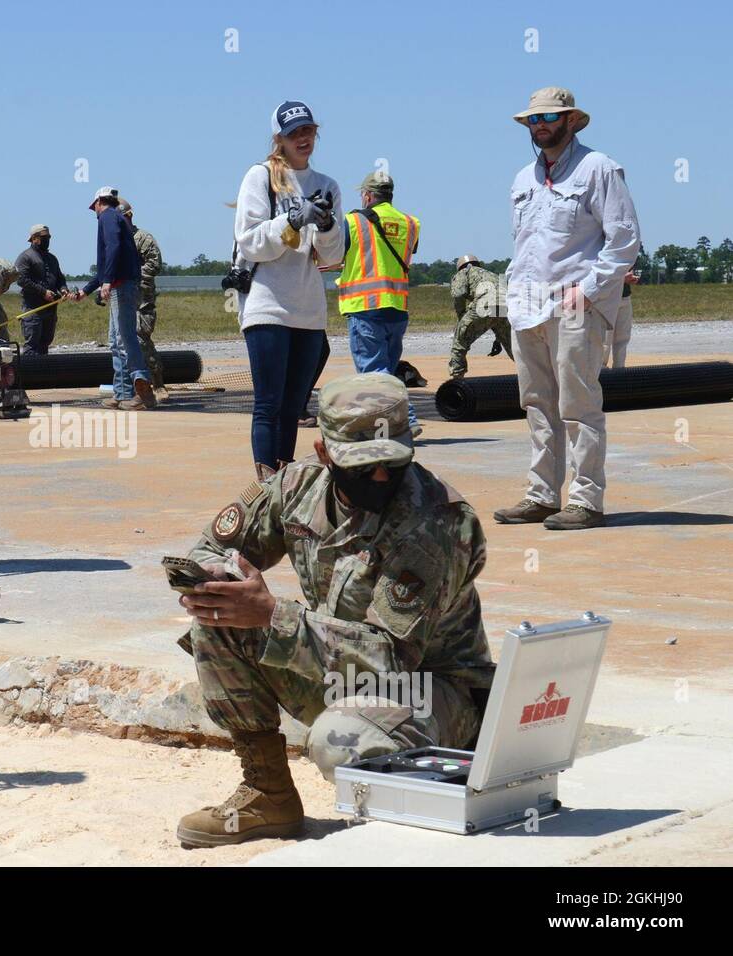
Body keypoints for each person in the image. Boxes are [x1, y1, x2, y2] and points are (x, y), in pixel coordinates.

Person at [173, 372, 493, 848]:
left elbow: (391, 661)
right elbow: (209, 551)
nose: (381, 477)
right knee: (220, 618)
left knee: (341, 739)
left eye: (393, 462)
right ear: (324, 453)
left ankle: (413, 826)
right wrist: (216, 583)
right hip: (343, 672)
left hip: (434, 693)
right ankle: (269, 794)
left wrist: (272, 615)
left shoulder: (436, 523)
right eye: (363, 466)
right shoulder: (298, 486)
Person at [495, 87, 640, 531]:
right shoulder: (524, 179)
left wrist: (590, 289)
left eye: (549, 117)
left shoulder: (598, 169)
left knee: (578, 405)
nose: (540, 125)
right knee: (538, 405)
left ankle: (586, 500)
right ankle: (541, 495)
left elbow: (625, 240)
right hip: (527, 307)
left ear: (571, 120)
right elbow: (526, 248)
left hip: (575, 304)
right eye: (534, 119)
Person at [233, 101, 343, 478]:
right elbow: (250, 242)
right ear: (278, 138)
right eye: (294, 132)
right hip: (267, 305)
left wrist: (326, 225)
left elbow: (331, 256)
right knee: (269, 402)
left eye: (308, 131)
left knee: (294, 404)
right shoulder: (260, 177)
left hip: (308, 309)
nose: (303, 138)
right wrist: (292, 219)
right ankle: (266, 487)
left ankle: (285, 478)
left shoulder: (327, 186)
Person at [337, 171, 422, 436]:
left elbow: (337, 252)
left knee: (374, 373)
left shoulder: (353, 222)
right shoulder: (411, 223)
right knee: (386, 371)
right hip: (397, 308)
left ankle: (405, 419)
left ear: (367, 195)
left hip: (365, 306)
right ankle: (388, 425)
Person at [78, 186, 155, 410]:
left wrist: (108, 281)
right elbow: (108, 262)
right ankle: (122, 394)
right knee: (116, 340)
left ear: (99, 203)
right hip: (120, 285)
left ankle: (143, 393)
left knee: (125, 338)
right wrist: (87, 289)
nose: (95, 212)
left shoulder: (108, 217)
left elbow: (112, 247)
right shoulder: (118, 218)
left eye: (94, 208)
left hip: (121, 287)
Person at [120, 200, 166, 398]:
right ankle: (130, 388)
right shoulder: (116, 241)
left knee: (141, 338)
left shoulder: (143, 239)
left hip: (142, 299)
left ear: (129, 217)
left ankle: (157, 383)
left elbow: (154, 264)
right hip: (122, 298)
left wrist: (133, 275)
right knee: (121, 342)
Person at [448, 254, 513, 378]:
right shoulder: (494, 275)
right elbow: (500, 301)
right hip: (506, 307)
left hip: (484, 306)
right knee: (515, 348)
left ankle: (457, 378)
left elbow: (458, 295)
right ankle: (533, 376)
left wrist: (461, 318)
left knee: (459, 342)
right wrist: (499, 339)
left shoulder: (464, 272)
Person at [14, 225, 69, 355]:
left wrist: (63, 289)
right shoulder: (25, 257)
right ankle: (29, 374)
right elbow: (21, 279)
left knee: (45, 345)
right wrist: (43, 292)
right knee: (32, 347)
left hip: (50, 310)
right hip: (33, 310)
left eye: (48, 237)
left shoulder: (52, 258)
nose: (47, 240)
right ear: (34, 239)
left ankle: (42, 374)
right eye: (44, 237)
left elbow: (60, 278)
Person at [606, 262, 639, 368]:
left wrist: (629, 278)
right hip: (607, 298)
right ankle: (601, 373)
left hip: (625, 296)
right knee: (605, 339)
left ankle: (619, 371)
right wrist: (621, 279)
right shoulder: (599, 246)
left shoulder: (629, 248)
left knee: (623, 338)